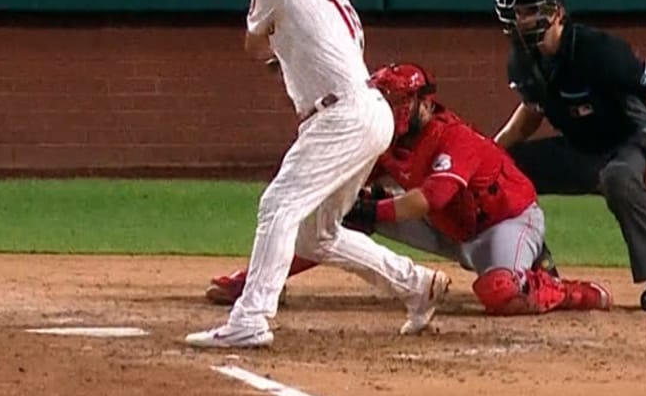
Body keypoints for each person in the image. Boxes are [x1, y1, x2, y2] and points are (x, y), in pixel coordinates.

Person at [185, 0, 449, 348]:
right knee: (317, 236)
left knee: (278, 205)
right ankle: (415, 285)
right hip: (369, 113)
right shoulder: (335, 0)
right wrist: (286, 46)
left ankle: (251, 317)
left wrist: (277, 46)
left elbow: (253, 47)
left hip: (340, 115)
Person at [205, 62, 611, 315]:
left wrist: (372, 210)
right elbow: (337, 193)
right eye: (388, 100)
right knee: (337, 213)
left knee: (499, 292)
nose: (394, 109)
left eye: (401, 101)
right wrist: (345, 201)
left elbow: (431, 198)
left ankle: (568, 291)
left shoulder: (455, 138)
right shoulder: (383, 138)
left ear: (425, 104)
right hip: (448, 226)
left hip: (504, 222)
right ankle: (260, 279)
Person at [492, 0, 646, 313]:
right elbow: (530, 113)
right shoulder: (523, 60)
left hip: (635, 141)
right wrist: (490, 153)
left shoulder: (596, 49)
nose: (522, 20)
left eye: (530, 11)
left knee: (618, 177)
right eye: (517, 13)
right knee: (500, 173)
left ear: (556, 13)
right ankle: (538, 268)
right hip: (583, 149)